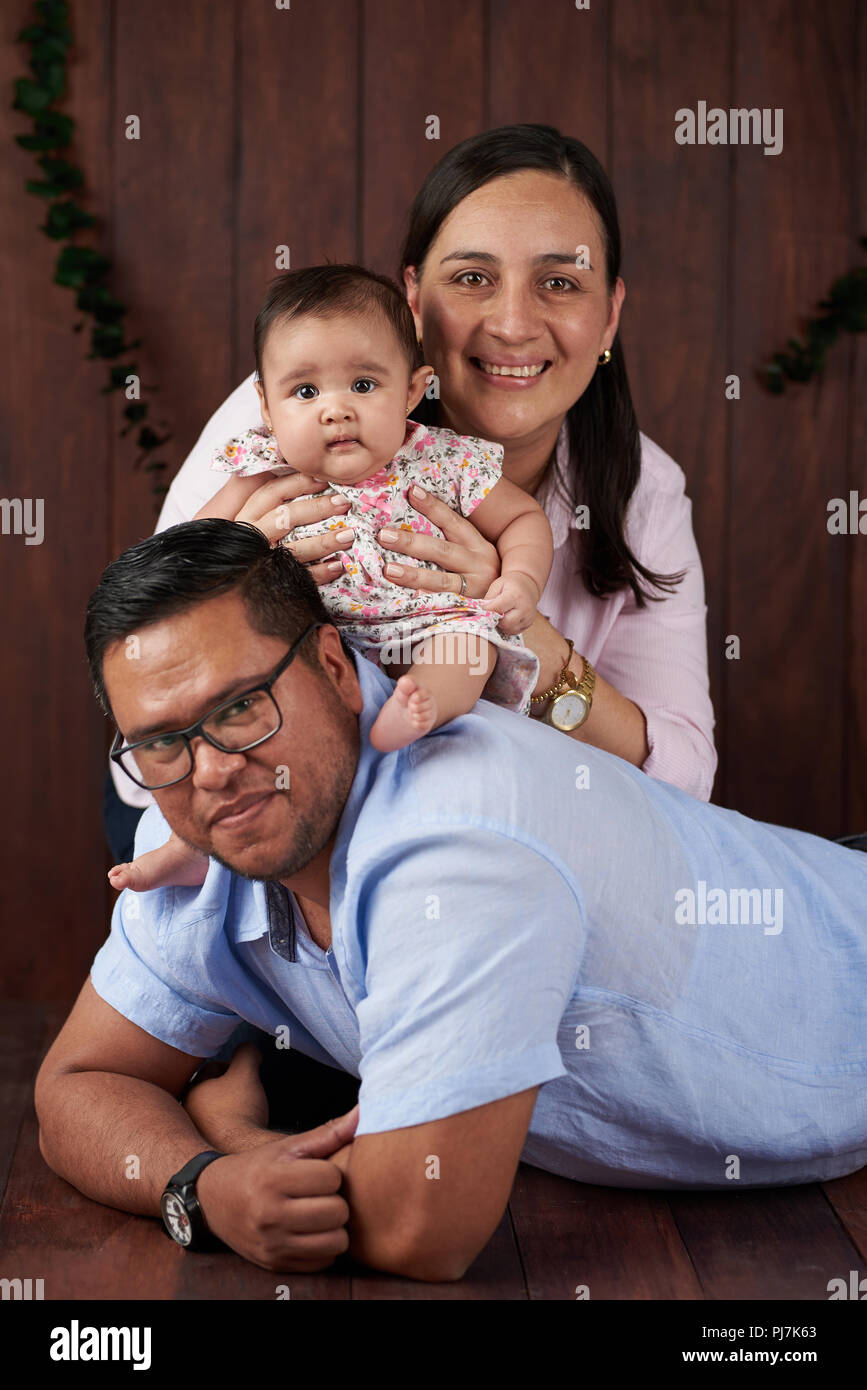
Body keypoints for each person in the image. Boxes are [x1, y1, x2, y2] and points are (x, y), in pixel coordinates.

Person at [36, 522, 866, 1282]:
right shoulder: (193, 839)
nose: (211, 769)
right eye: (162, 739)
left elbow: (418, 1227)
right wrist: (204, 1185)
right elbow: (77, 1083)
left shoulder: (461, 841)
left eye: (242, 705)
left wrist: (234, 1143)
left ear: (334, 668)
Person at [104, 123, 718, 865]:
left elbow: (684, 780)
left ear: (609, 315)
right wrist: (234, 575)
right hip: (262, 810)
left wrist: (528, 635)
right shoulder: (294, 413)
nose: (515, 324)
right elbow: (147, 678)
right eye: (471, 278)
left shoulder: (641, 489)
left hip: (481, 834)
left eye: (560, 282)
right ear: (413, 300)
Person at [108, 262, 550, 892]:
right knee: (238, 743)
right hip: (306, 652)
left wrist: (522, 583)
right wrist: (240, 548)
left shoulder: (441, 461)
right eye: (306, 393)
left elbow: (524, 519)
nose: (336, 410)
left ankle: (418, 707)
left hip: (423, 626)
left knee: (468, 646)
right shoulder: (262, 468)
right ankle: (188, 845)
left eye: (364, 384)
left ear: (413, 389)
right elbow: (183, 553)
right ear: (265, 403)